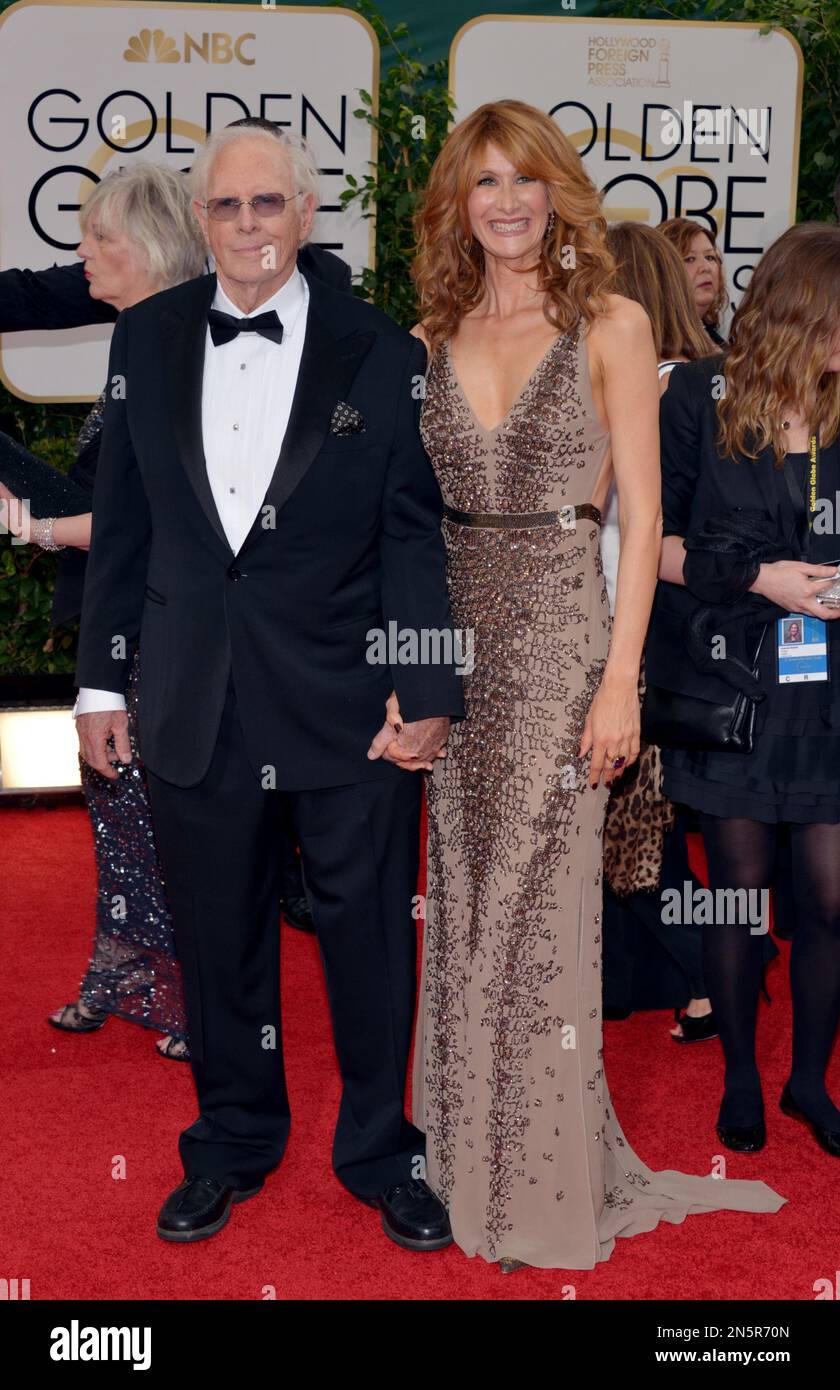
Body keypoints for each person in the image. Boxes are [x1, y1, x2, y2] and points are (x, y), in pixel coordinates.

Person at [398, 99, 785, 1272]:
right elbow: (409, 523)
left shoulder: (611, 322)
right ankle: (467, 1162)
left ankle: (541, 1182)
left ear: (560, 193)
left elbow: (646, 511)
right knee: (463, 909)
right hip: (458, 643)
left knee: (537, 915)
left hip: (565, 640)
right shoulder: (434, 328)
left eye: (526, 181)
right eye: (483, 185)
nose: (506, 203)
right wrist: (409, 680)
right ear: (458, 206)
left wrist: (619, 683)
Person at [72, 122, 466, 1248]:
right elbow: (127, 533)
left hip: (349, 702)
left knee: (369, 934)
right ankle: (233, 1140)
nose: (247, 226)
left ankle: (384, 1149)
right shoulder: (145, 339)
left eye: (268, 204)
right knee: (218, 935)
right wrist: (103, 688)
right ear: (203, 221)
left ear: (305, 213)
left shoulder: (381, 351)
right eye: (226, 207)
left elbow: (411, 537)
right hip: (197, 693)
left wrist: (428, 681)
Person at [0, 161, 207, 1060]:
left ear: (152, 250)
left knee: (169, 807)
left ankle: (197, 996)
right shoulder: (137, 335)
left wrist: (41, 532)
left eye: (100, 239)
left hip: (170, 618)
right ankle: (124, 974)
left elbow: (151, 521)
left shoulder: (180, 352)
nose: (81, 253)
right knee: (118, 800)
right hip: (119, 606)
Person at [650, 222, 840, 1157]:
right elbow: (653, 543)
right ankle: (738, 1074)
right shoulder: (698, 395)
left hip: (830, 695)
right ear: (799, 311)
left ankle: (808, 1079)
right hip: (734, 682)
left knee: (832, 899)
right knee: (735, 894)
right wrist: (762, 577)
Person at [597, 222, 719, 1040]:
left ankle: (710, 972)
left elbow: (641, 527)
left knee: (635, 824)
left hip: (632, 637)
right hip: (664, 636)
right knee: (639, 821)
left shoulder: (658, 389)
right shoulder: (701, 381)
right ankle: (688, 971)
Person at [659, 216, 728, 346]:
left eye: (710, 257)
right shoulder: (656, 344)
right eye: (690, 259)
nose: (706, 267)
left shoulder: (714, 338)